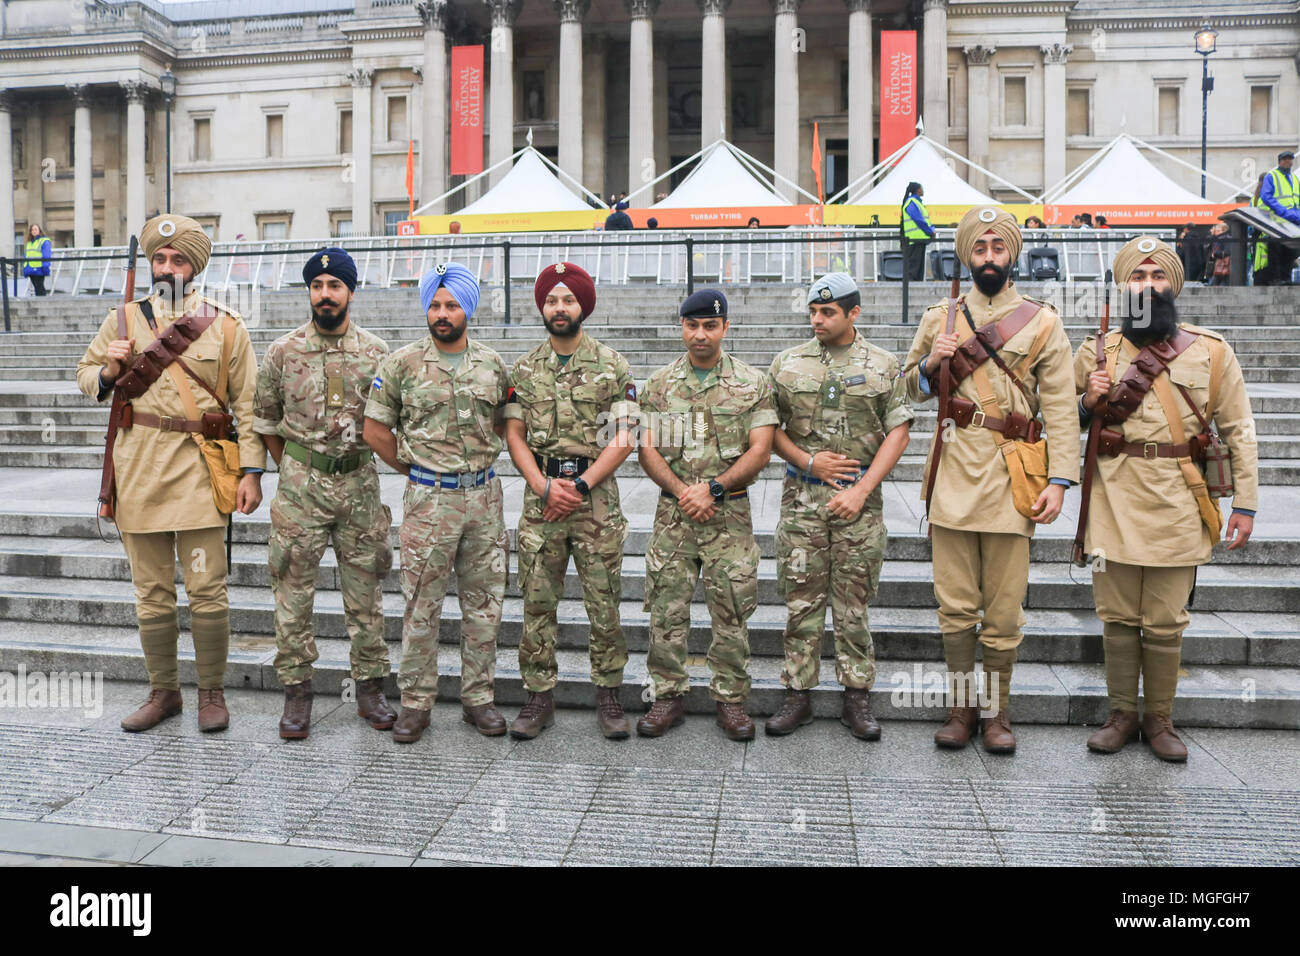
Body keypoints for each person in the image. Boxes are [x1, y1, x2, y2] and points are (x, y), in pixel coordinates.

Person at [76, 213, 265, 733]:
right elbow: (84, 377)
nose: (166, 266)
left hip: (202, 470)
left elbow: (248, 405)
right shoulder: (121, 321)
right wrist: (110, 371)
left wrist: (252, 472)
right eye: (159, 258)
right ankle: (163, 693)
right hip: (137, 469)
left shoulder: (225, 324)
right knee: (151, 592)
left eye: (177, 258)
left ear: (195, 265)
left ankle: (212, 694)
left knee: (208, 589)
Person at [902, 206, 1079, 754]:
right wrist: (933, 363)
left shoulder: (1043, 321)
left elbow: (1062, 410)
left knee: (1003, 611)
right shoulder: (941, 317)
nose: (989, 258)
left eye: (998, 249)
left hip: (1012, 475)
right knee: (955, 605)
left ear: (1012, 255)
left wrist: (1061, 480)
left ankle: (997, 714)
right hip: (954, 472)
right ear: (966, 256)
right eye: (979, 250)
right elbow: (904, 391)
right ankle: (959, 712)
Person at [1076, 237, 1258, 761]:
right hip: (1112, 496)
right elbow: (1063, 421)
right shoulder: (1096, 349)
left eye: (1157, 278)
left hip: (1181, 498)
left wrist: (1244, 504)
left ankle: (1159, 720)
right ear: (1123, 286)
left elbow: (1240, 430)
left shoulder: (1211, 350)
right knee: (1115, 615)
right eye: (1138, 277)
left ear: (1173, 286)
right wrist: (1089, 401)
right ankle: (1120, 715)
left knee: (1165, 620)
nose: (1147, 287)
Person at [363, 263, 511, 742]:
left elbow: (509, 426)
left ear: (467, 308)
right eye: (434, 305)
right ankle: (415, 702)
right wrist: (415, 471)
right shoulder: (400, 364)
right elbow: (375, 430)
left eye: (450, 305)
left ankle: (478, 699)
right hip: (430, 501)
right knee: (421, 604)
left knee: (484, 604)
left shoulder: (492, 364)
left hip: (485, 500)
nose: (441, 313)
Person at [253, 248, 396, 740]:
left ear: (350, 292)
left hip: (359, 484)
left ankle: (371, 688)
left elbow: (389, 422)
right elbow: (266, 421)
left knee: (366, 593)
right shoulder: (282, 352)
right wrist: (294, 467)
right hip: (300, 489)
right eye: (317, 285)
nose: (325, 294)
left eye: (335, 286)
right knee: (292, 593)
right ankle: (297, 693)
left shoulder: (379, 354)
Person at [765, 273, 914, 740]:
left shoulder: (884, 364)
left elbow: (899, 431)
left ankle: (856, 698)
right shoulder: (787, 364)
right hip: (802, 503)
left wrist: (861, 489)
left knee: (853, 605)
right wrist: (809, 461)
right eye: (813, 311)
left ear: (854, 313)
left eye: (828, 312)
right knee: (801, 601)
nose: (817, 319)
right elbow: (767, 429)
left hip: (859, 506)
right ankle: (798, 696)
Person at [504, 262, 639, 740]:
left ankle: (608, 695)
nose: (559, 308)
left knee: (604, 602)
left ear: (583, 305)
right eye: (551, 300)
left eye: (568, 300)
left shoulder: (612, 364)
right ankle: (538, 697)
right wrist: (544, 487)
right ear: (542, 307)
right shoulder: (522, 368)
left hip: (595, 500)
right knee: (537, 603)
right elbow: (514, 434)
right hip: (541, 498)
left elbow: (624, 437)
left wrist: (579, 488)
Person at [636, 289, 777, 741]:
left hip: (728, 517)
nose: (700, 334)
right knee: (665, 609)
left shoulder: (752, 384)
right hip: (674, 517)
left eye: (710, 326)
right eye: (692, 325)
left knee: (731, 612)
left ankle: (731, 701)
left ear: (725, 328)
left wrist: (713, 489)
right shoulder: (658, 385)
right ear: (681, 327)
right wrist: (683, 491)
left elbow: (762, 449)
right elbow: (646, 447)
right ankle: (667, 696)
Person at [1256, 150, 1300, 284]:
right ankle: (1277, 278)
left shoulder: (1294, 178)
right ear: (1279, 161)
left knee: (1291, 250)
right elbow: (1266, 196)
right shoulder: (1272, 176)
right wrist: (1284, 212)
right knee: (1276, 248)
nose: (1288, 162)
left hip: (1292, 221)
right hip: (1277, 219)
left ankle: (1285, 277)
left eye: (1290, 159)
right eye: (1285, 159)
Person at [901, 182, 935, 280]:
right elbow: (919, 220)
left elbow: (925, 220)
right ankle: (909, 290)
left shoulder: (917, 203)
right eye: (922, 188)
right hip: (915, 239)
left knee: (918, 269)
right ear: (918, 190)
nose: (923, 190)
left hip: (919, 239)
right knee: (913, 269)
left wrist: (931, 229)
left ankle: (913, 288)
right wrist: (930, 231)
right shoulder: (912, 202)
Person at [22, 224, 52, 296]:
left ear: (39, 231)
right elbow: (27, 255)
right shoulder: (29, 242)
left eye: (35, 229)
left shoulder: (44, 241)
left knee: (39, 287)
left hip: (39, 267)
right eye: (32, 230)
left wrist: (45, 266)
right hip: (30, 268)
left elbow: (46, 254)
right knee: (36, 288)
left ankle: (42, 304)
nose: (34, 231)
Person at [1206, 222, 1231, 286]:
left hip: (1222, 265)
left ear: (1224, 231)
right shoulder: (1216, 239)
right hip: (1217, 266)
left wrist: (1216, 254)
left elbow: (1228, 251)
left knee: (1213, 284)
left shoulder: (1225, 238)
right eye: (1216, 231)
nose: (1216, 233)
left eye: (1218, 231)